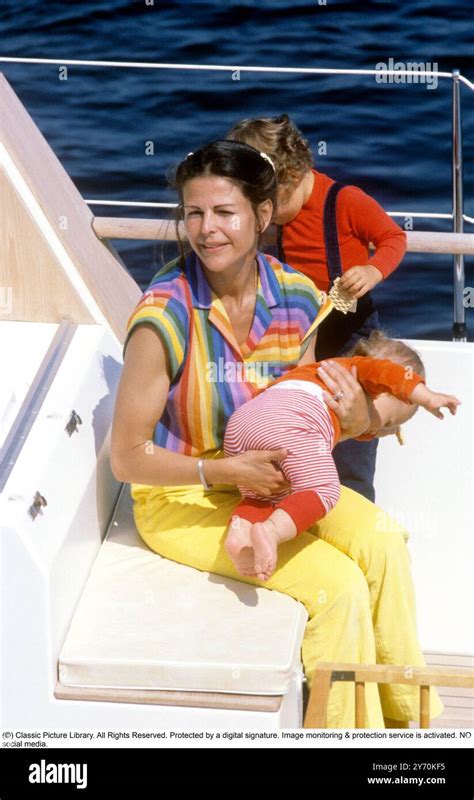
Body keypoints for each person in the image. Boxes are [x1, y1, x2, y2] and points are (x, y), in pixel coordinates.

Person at [110, 139, 443, 728]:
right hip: (184, 495)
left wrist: (362, 422)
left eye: (224, 212)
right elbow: (127, 458)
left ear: (263, 215)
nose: (206, 229)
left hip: (273, 480)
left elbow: (302, 415)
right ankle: (340, 736)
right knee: (339, 588)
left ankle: (403, 724)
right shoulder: (162, 316)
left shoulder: (297, 296)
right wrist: (221, 470)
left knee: (385, 544)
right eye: (194, 213)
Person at [226, 114, 408, 503]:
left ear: (293, 176)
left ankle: (355, 499)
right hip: (298, 328)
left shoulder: (345, 201)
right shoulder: (275, 212)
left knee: (350, 421)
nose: (267, 215)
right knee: (297, 418)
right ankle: (299, 496)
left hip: (350, 332)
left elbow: (393, 237)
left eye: (272, 204)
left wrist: (372, 271)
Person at [223, 331, 461, 582]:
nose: (380, 430)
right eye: (389, 421)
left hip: (241, 426)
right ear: (381, 389)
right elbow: (393, 375)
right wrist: (427, 396)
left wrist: (380, 427)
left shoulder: (317, 372)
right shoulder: (364, 369)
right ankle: (271, 531)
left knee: (264, 494)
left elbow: (362, 429)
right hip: (292, 423)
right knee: (324, 490)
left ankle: (240, 536)